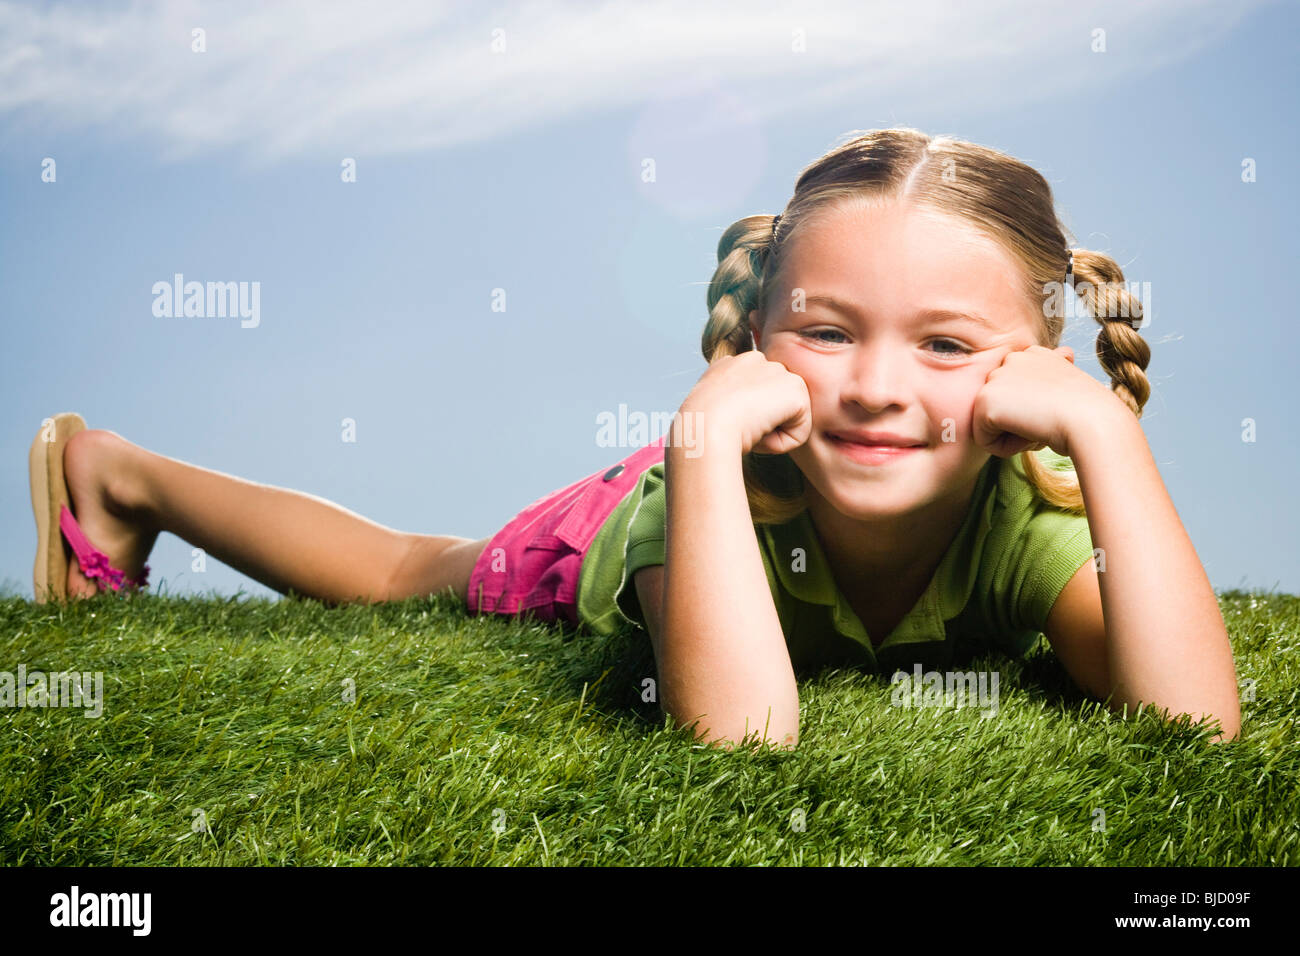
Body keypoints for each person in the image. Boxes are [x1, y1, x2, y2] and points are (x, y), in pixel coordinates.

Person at [29, 128, 1240, 750]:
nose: (874, 388)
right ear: (757, 329)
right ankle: (122, 473)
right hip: (675, 497)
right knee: (414, 570)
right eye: (825, 331)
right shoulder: (696, 494)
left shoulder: (1017, 518)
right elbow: (741, 739)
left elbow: (1191, 722)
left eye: (942, 345)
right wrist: (705, 452)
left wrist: (1100, 432)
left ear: (1030, 369)